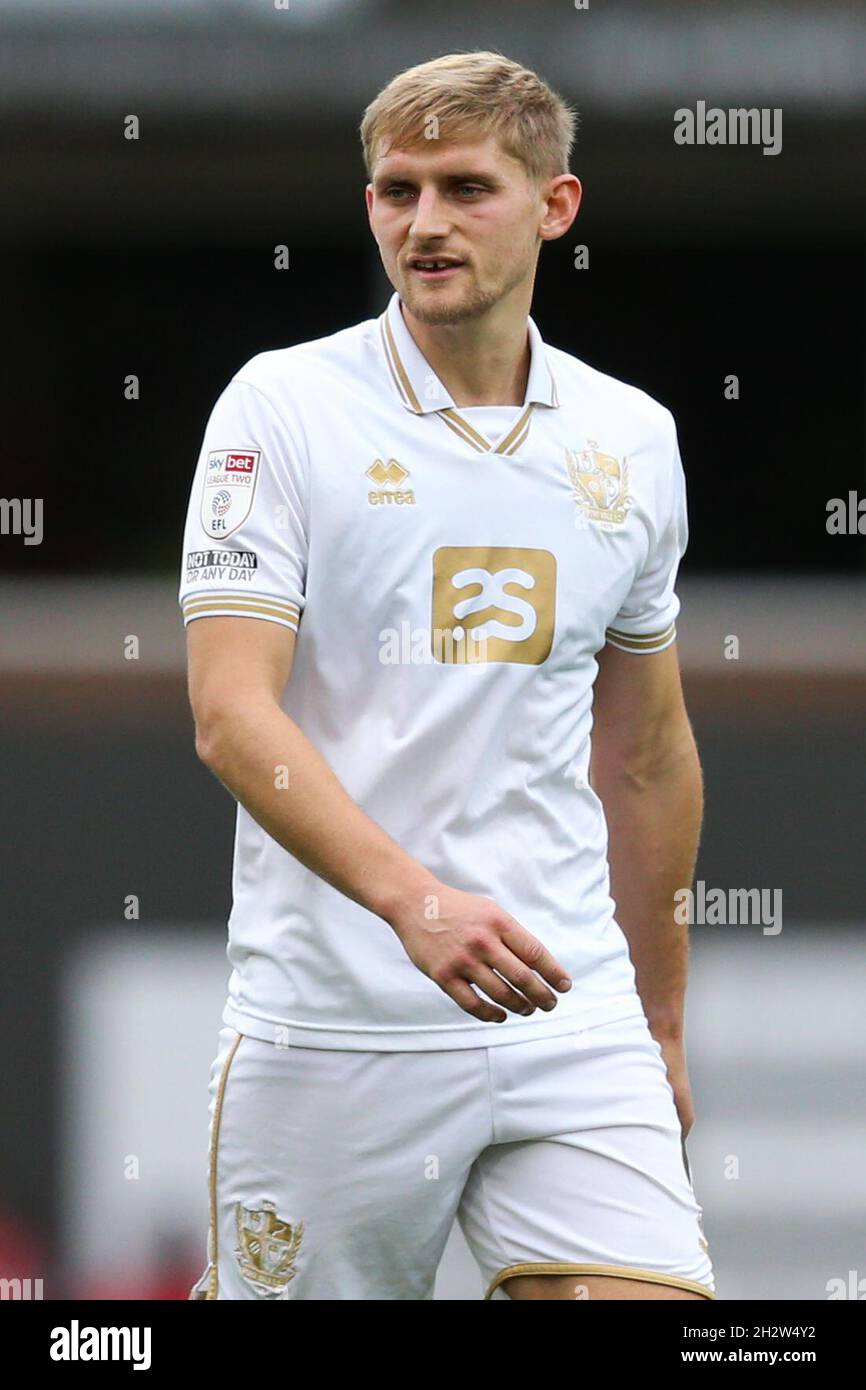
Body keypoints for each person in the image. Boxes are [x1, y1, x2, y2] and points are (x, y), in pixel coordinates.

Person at [180, 50, 714, 1301]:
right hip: (336, 1028)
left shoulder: (630, 437)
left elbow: (643, 753)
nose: (422, 224)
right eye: (393, 191)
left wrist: (660, 1021)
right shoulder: (283, 406)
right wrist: (418, 906)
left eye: (465, 187)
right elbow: (227, 709)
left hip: (568, 1017)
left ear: (554, 206)